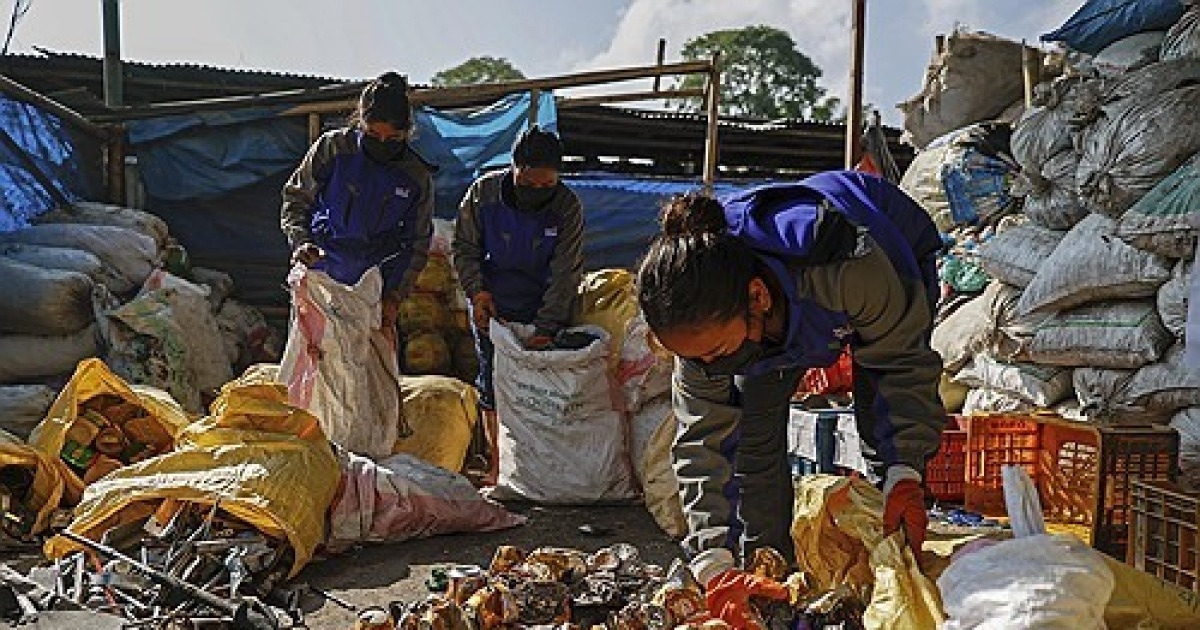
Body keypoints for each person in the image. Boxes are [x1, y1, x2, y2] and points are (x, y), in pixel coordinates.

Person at [635, 170, 946, 563]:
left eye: (715, 352)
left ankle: (895, 544)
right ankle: (767, 567)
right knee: (752, 433)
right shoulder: (697, 322)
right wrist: (712, 555)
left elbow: (900, 364)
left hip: (887, 251)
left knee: (885, 421)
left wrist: (905, 471)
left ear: (758, 296)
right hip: (770, 318)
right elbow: (703, 438)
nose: (707, 366)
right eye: (694, 359)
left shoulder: (848, 267)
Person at [451, 125, 584, 484]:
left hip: (545, 306)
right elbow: (464, 248)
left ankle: (543, 471)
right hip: (494, 306)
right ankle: (498, 470)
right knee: (492, 383)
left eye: (546, 186)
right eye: (529, 184)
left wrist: (547, 327)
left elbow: (566, 271)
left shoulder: (566, 206)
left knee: (544, 392)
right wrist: (477, 293)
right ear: (514, 169)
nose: (538, 193)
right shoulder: (484, 194)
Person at [280, 71, 435, 343]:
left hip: (372, 292)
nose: (382, 145)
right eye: (373, 135)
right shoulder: (333, 149)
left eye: (393, 139)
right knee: (314, 364)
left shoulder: (416, 176)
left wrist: (394, 296)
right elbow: (296, 198)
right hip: (321, 278)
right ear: (361, 122)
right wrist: (300, 242)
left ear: (407, 134)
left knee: (365, 372)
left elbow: (417, 243)